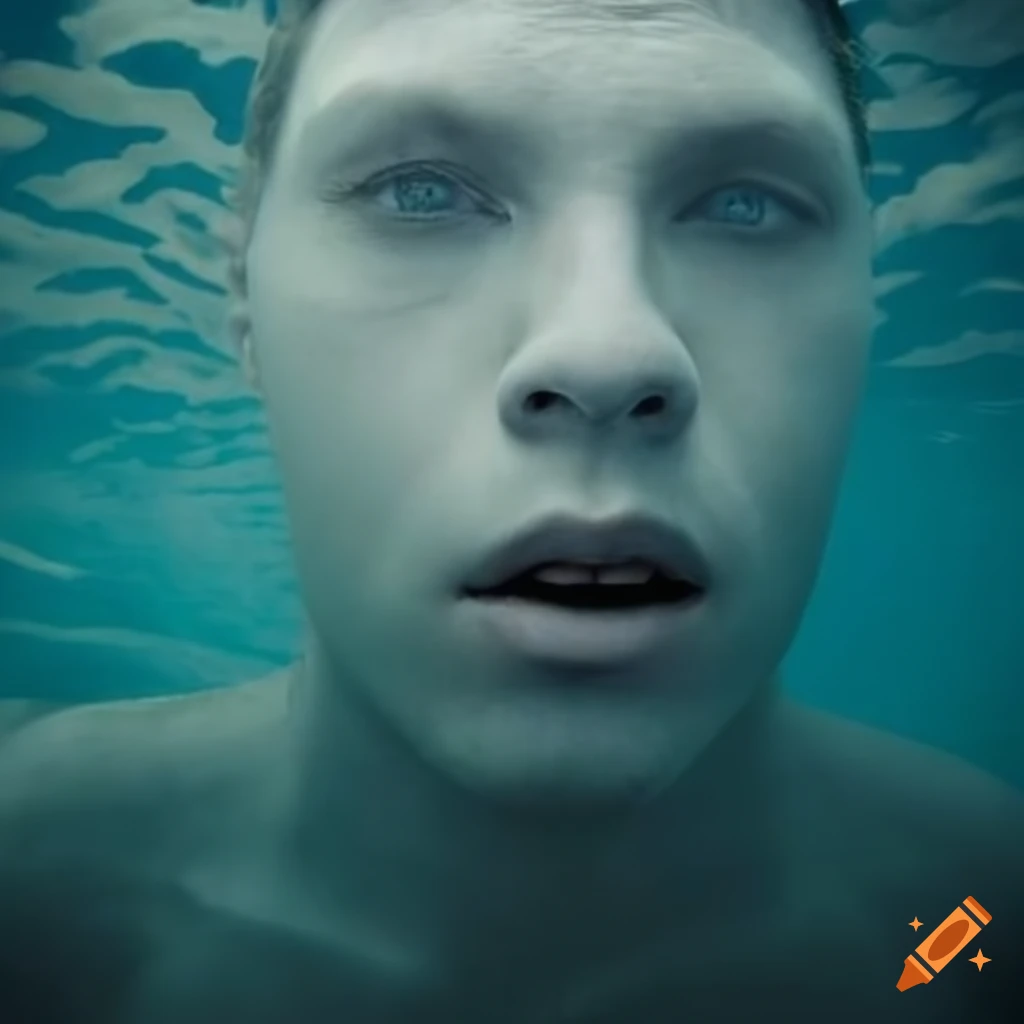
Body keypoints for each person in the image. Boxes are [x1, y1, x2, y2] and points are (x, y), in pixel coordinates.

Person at [1, 0, 1022, 1021]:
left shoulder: (975, 921)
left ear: (865, 298)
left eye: (744, 205)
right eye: (420, 191)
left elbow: (955, 960)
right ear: (242, 297)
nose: (607, 351)